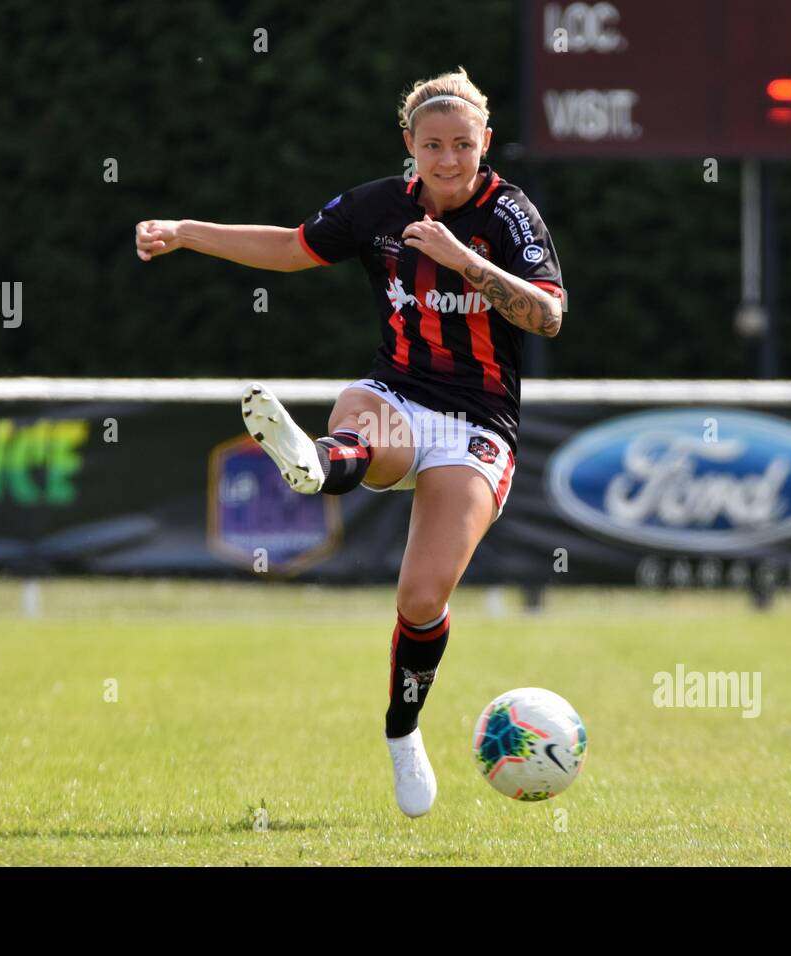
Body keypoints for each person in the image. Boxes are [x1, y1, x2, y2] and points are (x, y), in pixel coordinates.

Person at [135, 68, 565, 817]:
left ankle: (402, 731)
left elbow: (548, 317)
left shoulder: (511, 215)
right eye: (433, 146)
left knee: (422, 597)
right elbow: (294, 248)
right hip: (395, 394)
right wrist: (186, 234)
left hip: (478, 426)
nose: (450, 160)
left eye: (464, 145)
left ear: (485, 143)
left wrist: (462, 257)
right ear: (410, 146)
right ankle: (319, 463)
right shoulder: (377, 206)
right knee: (363, 429)